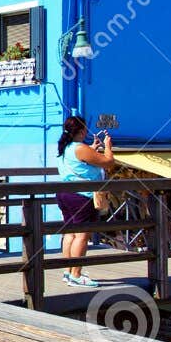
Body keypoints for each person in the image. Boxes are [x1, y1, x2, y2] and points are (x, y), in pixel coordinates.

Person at [54, 115, 115, 288]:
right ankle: (76, 275)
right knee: (82, 235)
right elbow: (108, 163)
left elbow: (80, 162)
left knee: (69, 233)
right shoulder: (80, 148)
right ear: (81, 131)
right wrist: (108, 146)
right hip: (82, 196)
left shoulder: (65, 147)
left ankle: (67, 272)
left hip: (65, 193)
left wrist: (92, 149)